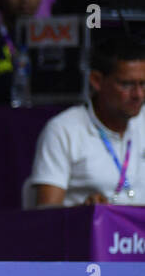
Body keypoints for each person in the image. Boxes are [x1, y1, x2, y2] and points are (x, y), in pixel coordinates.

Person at [26, 35, 145, 208]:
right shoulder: (63, 130)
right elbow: (46, 214)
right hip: (89, 233)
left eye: (143, 84)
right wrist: (83, 212)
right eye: (126, 85)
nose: (138, 95)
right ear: (96, 81)